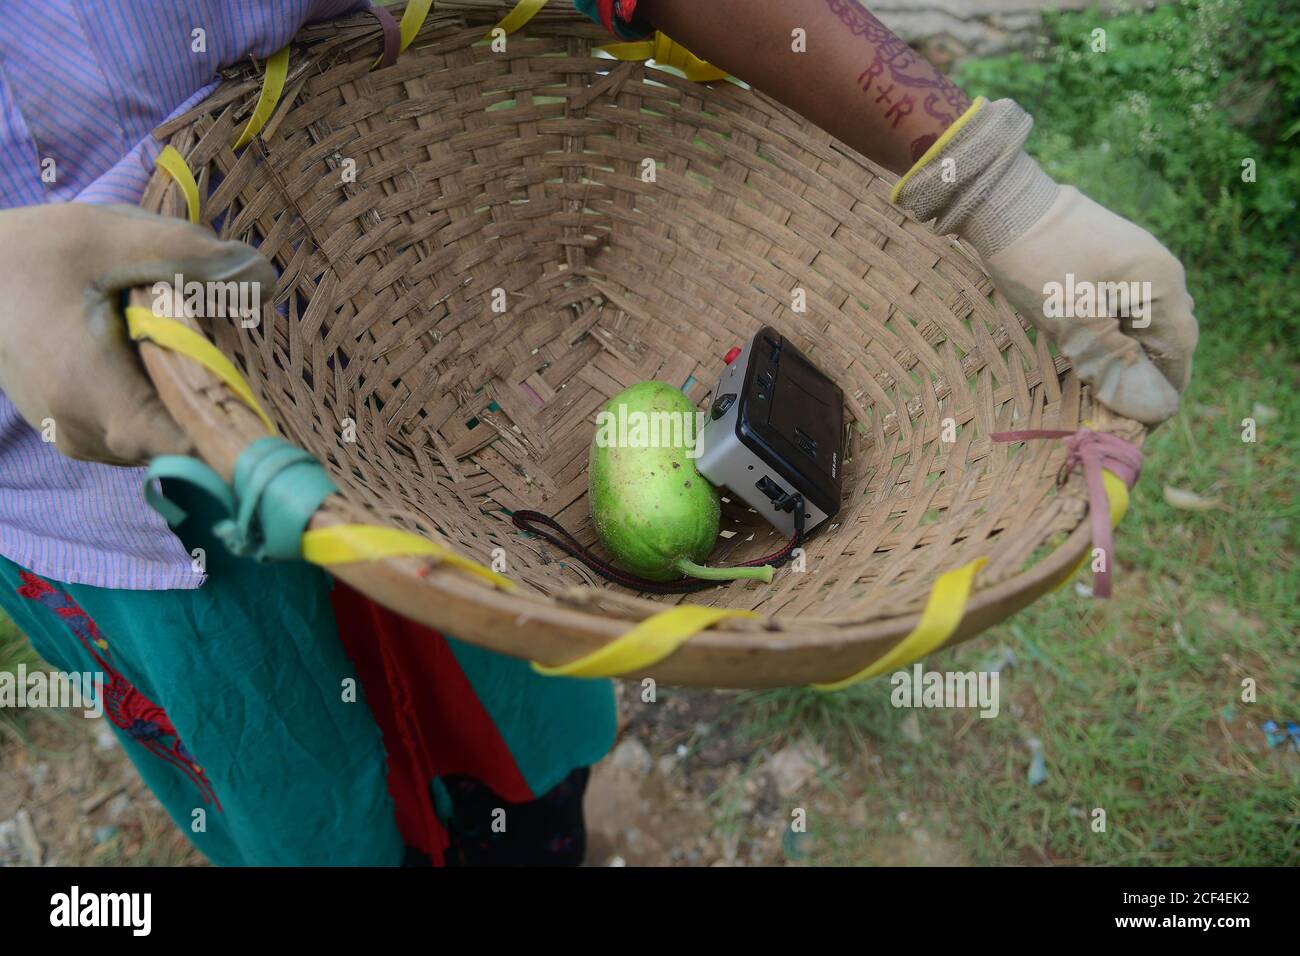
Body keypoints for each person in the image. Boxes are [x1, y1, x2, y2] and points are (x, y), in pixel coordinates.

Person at [0, 0, 1196, 866]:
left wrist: (986, 179)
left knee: (522, 748)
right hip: (104, 490)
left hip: (412, 334)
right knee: (300, 794)